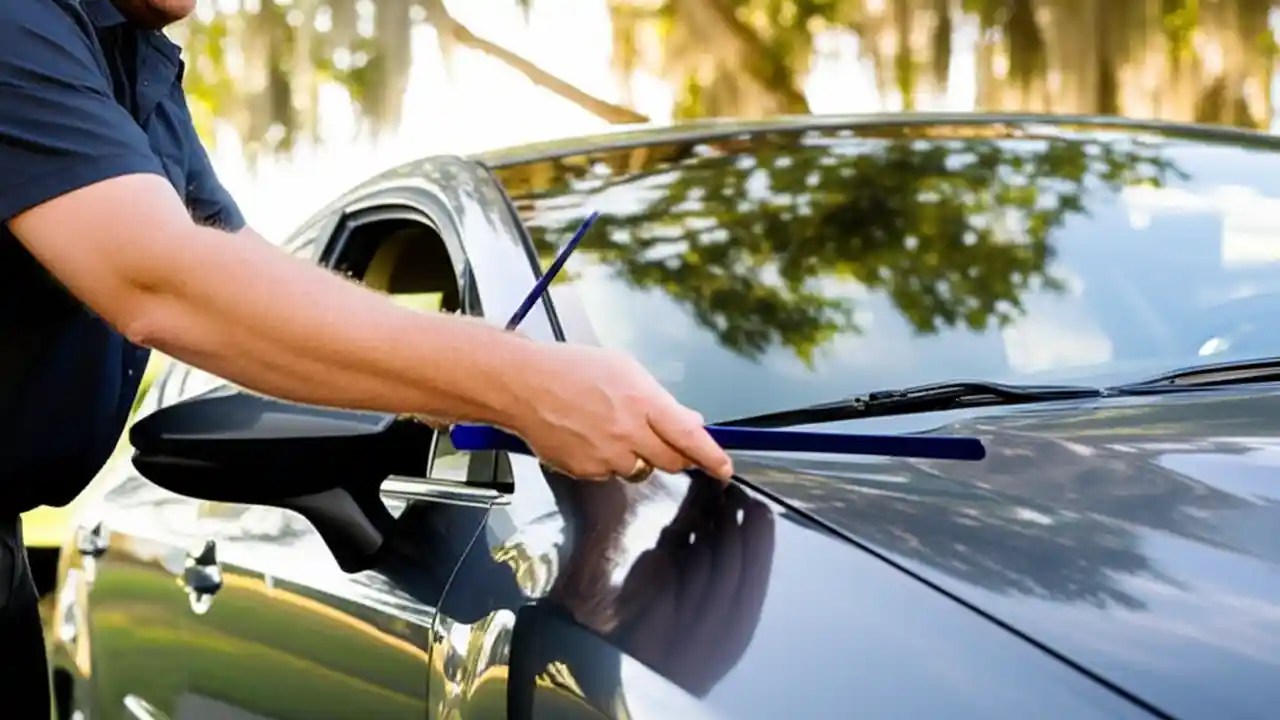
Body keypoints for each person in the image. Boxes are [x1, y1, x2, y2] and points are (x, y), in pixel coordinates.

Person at [0, 0, 733, 713]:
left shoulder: (136, 71)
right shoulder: (16, 24)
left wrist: (539, 408)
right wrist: (526, 382)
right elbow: (166, 284)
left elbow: (251, 282)